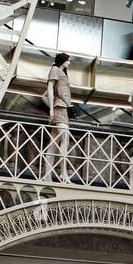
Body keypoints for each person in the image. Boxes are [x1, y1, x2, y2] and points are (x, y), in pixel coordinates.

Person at [43, 52, 76, 182]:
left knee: (53, 144)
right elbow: (49, 90)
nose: (70, 62)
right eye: (68, 60)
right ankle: (63, 174)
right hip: (59, 109)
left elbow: (45, 94)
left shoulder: (60, 72)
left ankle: (47, 176)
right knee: (65, 139)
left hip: (62, 109)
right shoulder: (55, 69)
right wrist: (51, 109)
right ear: (63, 61)